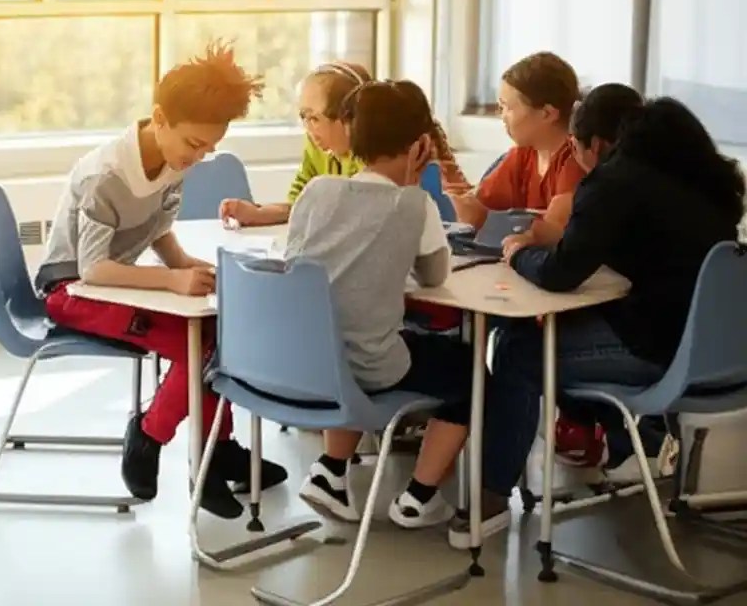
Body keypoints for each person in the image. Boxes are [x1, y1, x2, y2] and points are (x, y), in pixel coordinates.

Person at [446, 87, 746, 549]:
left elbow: (562, 272)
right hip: (723, 357)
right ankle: (634, 444)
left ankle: (489, 500)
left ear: (597, 146)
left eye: (577, 149)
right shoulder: (697, 179)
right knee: (554, 337)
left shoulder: (615, 179)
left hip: (660, 352)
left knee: (518, 348)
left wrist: (519, 252)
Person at [35, 41, 287, 519]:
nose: (199, 156)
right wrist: (171, 283)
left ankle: (219, 449)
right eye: (194, 144)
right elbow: (92, 270)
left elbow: (159, 231)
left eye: (211, 148)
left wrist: (185, 265)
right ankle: (149, 436)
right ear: (160, 117)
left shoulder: (173, 161)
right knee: (202, 348)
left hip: (114, 284)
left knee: (219, 336)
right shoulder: (106, 176)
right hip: (73, 292)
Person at [284, 80, 476, 528]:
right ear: (422, 144)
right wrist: (411, 188)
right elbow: (433, 276)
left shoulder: (316, 192)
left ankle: (331, 471)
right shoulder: (414, 204)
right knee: (468, 372)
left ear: (352, 136)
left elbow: (302, 268)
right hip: (365, 367)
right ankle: (420, 496)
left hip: (304, 362)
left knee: (350, 329)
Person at [220, 62, 469, 228]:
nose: (308, 128)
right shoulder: (317, 147)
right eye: (303, 117)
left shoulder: (379, 159)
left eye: (314, 118)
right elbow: (301, 204)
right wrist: (258, 213)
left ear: (348, 119)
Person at [448, 51, 585, 244]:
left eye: (507, 108)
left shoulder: (575, 160)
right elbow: (475, 208)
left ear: (547, 113)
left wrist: (493, 221)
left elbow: (553, 233)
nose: (502, 116)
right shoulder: (522, 154)